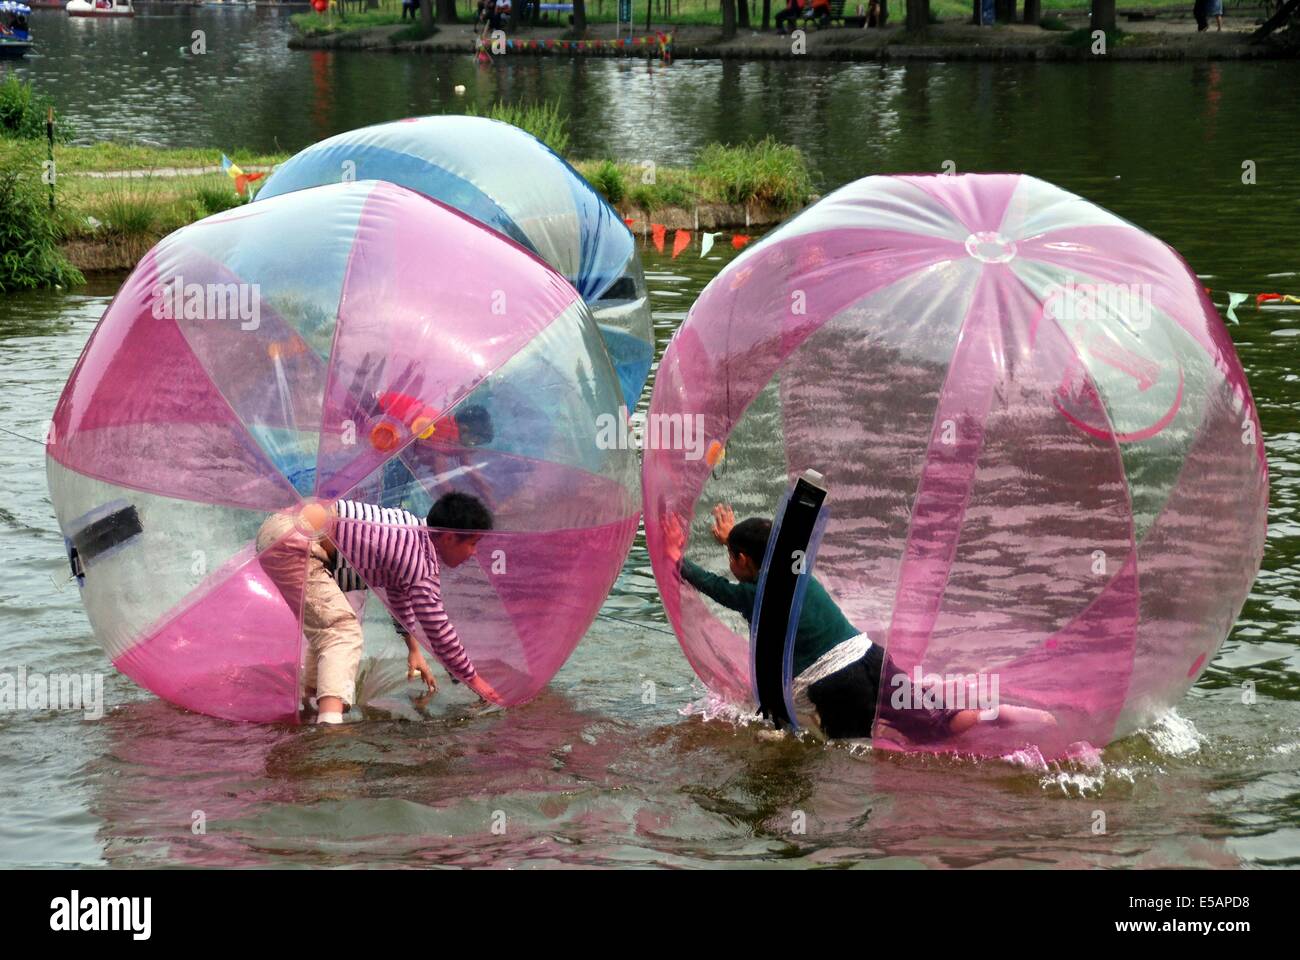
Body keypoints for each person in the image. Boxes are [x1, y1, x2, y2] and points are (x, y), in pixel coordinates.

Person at [662, 503, 1056, 742]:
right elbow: (768, 556)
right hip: (869, 657)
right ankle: (997, 713)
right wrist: (736, 539)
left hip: (834, 684)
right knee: (934, 719)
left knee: (850, 751)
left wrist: (675, 556)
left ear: (744, 560)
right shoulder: (798, 571)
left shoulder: (754, 596)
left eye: (734, 558)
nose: (732, 568)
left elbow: (713, 586)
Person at [256, 492, 501, 724]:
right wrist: (474, 680)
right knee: (341, 631)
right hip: (299, 537)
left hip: (289, 527)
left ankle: (310, 707)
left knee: (326, 631)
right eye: (472, 543)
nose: (474, 552)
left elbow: (397, 595)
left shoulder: (411, 533)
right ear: (448, 537)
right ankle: (328, 730)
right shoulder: (421, 561)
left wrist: (413, 649)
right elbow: (438, 628)